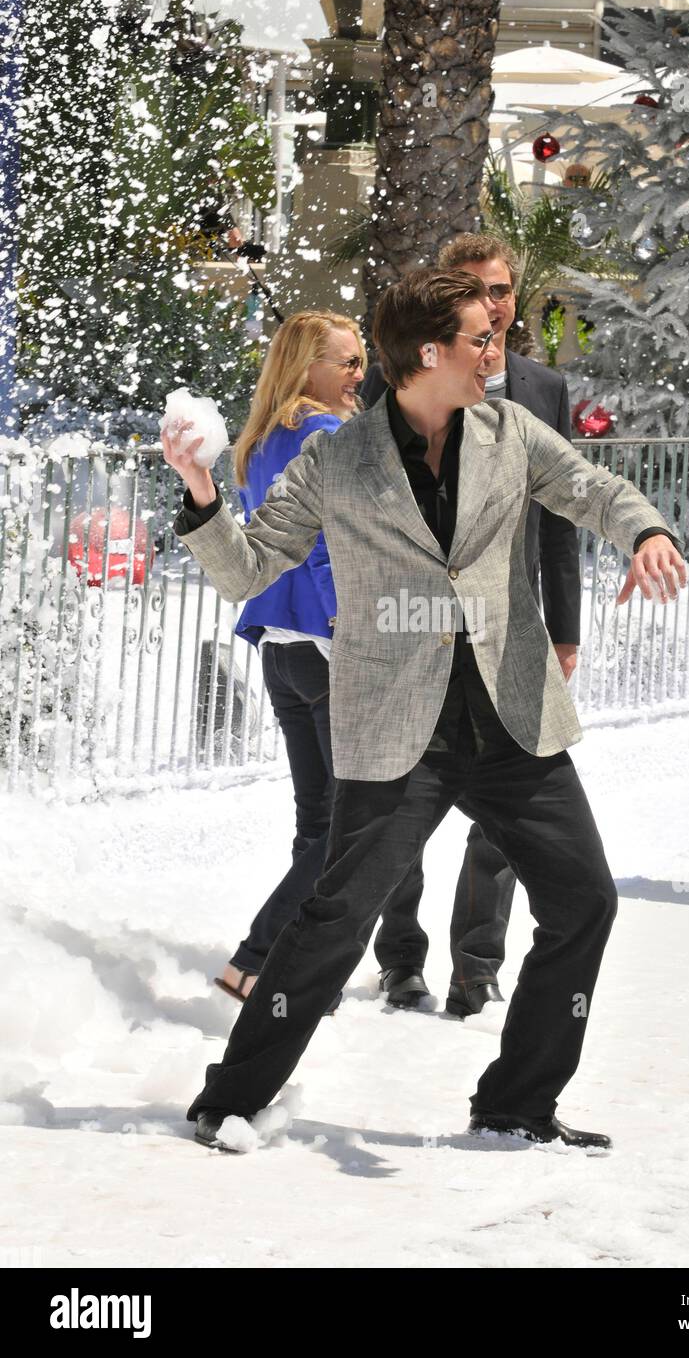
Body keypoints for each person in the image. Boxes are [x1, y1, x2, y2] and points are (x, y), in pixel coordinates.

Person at [163, 268, 686, 1153]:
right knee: (335, 917)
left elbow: (593, 489)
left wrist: (647, 531)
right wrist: (202, 493)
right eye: (482, 339)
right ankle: (229, 1101)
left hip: (510, 719)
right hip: (395, 728)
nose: (496, 354)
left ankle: (516, 1105)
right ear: (429, 353)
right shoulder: (339, 458)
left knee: (583, 902)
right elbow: (249, 569)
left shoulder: (510, 430)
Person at [362, 234, 582, 1016]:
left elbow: (561, 519)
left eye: (503, 289)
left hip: (507, 630)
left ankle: (477, 965)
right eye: (480, 291)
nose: (495, 304)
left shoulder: (540, 387)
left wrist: (565, 626)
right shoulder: (409, 379)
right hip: (414, 632)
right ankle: (399, 959)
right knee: (402, 809)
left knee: (508, 819)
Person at [210, 311, 365, 1004]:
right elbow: (331, 543)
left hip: (281, 648)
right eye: (347, 361)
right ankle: (260, 956)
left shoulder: (261, 439)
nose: (360, 373)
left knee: (319, 825)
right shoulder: (329, 435)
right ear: (308, 369)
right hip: (330, 647)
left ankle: (296, 972)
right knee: (347, 833)